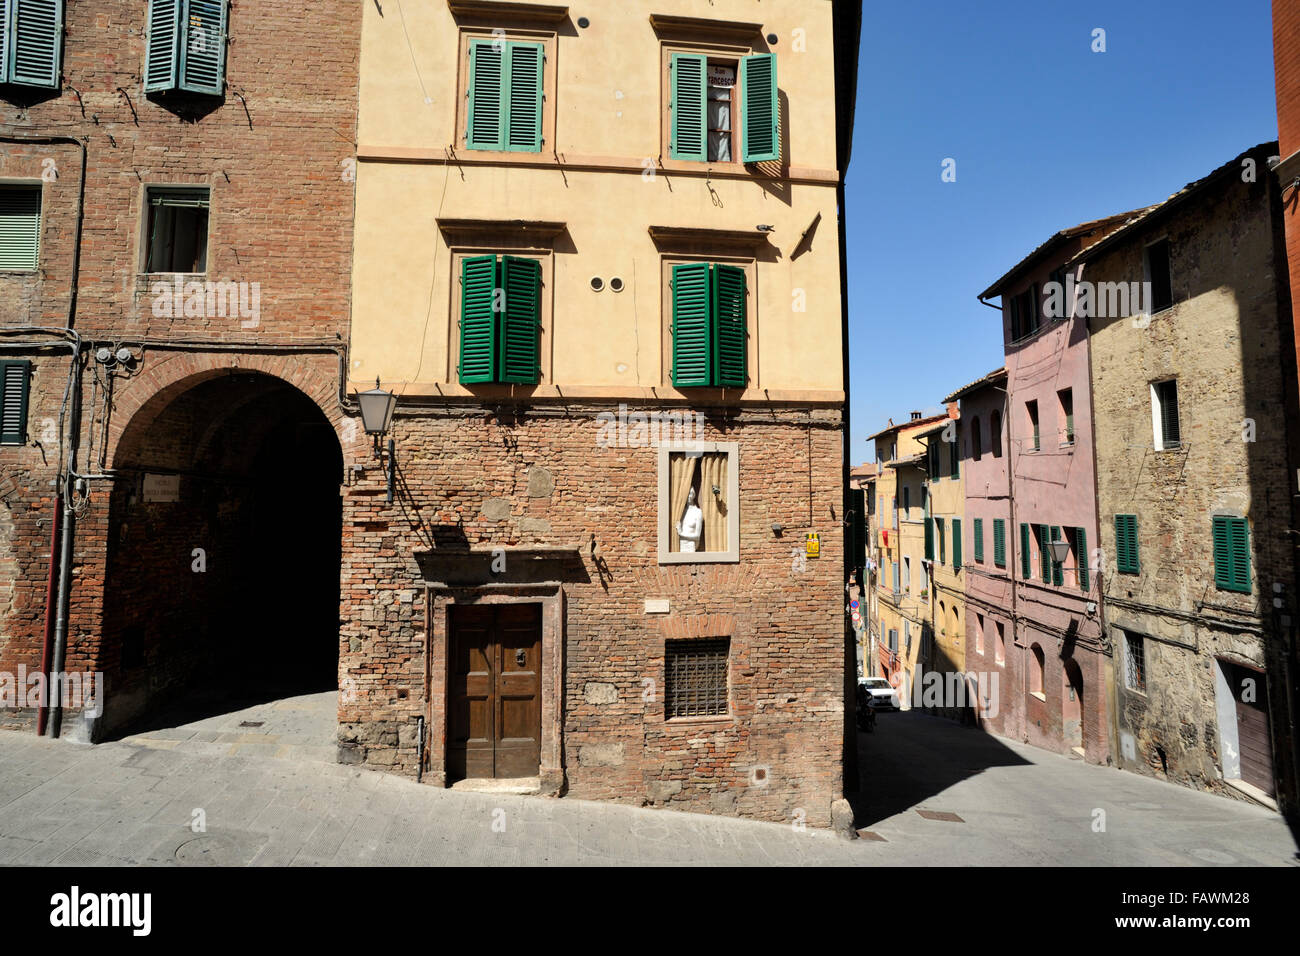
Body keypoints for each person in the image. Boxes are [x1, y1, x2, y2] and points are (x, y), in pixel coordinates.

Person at [676, 486, 703, 552]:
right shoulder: (679, 512)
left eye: (691, 493)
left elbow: (697, 536)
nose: (689, 496)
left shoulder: (698, 512)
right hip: (679, 545)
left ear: (694, 495)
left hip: (691, 546)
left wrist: (681, 534)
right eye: (687, 493)